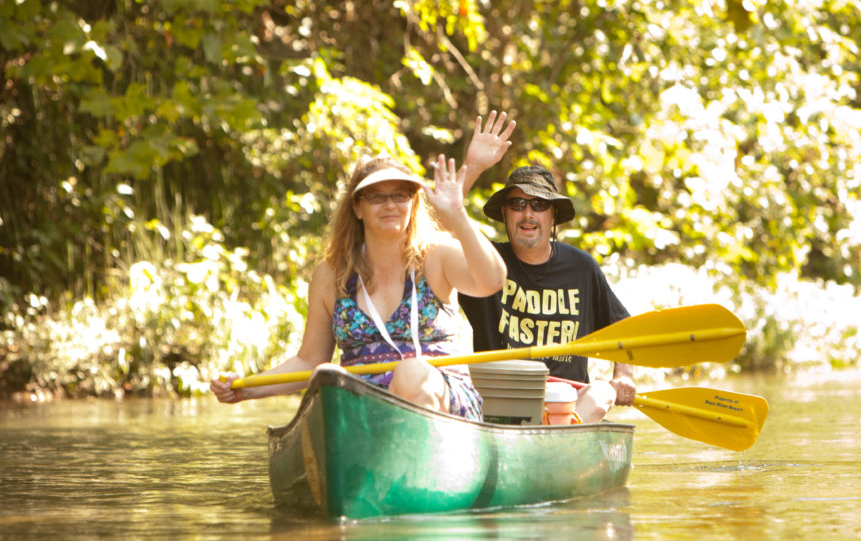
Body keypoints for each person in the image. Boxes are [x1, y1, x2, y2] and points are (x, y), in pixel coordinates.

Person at [210, 117, 512, 417]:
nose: (390, 205)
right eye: (377, 197)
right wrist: (247, 388)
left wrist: (457, 214)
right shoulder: (331, 275)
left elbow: (493, 280)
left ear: (412, 203)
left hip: (436, 396)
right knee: (325, 376)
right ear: (357, 207)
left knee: (409, 374)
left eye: (399, 195)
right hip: (361, 411)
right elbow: (309, 361)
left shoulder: (437, 255)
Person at [458, 164, 637, 423]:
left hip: (567, 407)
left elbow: (625, 328)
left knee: (600, 393)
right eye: (517, 204)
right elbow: (437, 230)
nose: (527, 214)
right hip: (500, 406)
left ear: (553, 215)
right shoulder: (484, 263)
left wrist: (624, 376)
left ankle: (559, 437)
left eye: (539, 204)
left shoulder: (582, 268)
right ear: (504, 213)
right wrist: (473, 163)